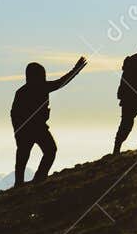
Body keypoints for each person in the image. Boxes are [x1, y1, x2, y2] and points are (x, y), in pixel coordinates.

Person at [10, 56, 87, 186]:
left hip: (34, 128)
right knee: (32, 154)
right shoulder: (32, 90)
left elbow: (13, 114)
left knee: (42, 152)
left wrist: (18, 131)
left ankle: (36, 179)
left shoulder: (26, 90)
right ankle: (28, 181)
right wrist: (76, 69)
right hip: (31, 129)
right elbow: (15, 114)